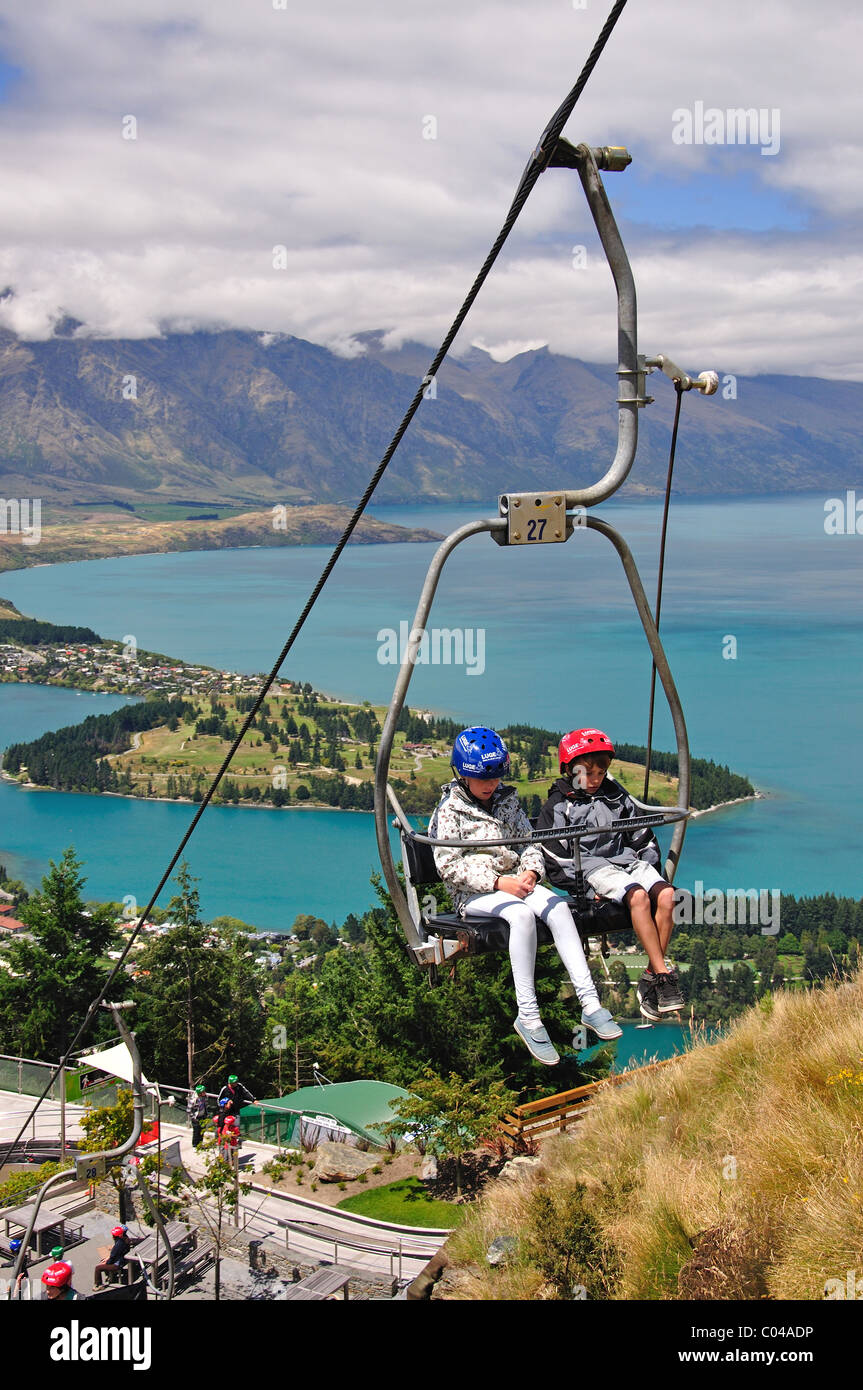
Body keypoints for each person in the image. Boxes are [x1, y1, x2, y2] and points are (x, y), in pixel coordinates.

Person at [430, 727, 621, 1066]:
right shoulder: (449, 811)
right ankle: (529, 1017)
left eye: (495, 778)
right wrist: (498, 882)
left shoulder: (506, 801)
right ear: (462, 774)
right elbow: (448, 866)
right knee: (520, 915)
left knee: (558, 907)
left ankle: (590, 1004)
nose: (490, 786)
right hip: (472, 895)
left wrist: (532, 871)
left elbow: (530, 843)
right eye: (481, 779)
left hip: (516, 883)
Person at [537, 728, 685, 1019]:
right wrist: (585, 890)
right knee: (638, 897)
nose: (594, 780)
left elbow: (640, 835)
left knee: (667, 895)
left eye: (600, 773)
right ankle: (663, 978)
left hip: (626, 862)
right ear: (568, 769)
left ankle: (651, 974)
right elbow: (556, 856)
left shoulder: (616, 796)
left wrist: (647, 863)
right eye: (586, 773)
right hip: (593, 868)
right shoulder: (559, 804)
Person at [93, 1225, 132, 1289]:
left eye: (114, 1235)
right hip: (123, 1260)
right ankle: (110, 1275)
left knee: (98, 1268)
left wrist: (106, 1263)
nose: (112, 1236)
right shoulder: (125, 1239)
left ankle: (98, 1285)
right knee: (104, 1260)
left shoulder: (118, 1245)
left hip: (118, 1264)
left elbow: (112, 1258)